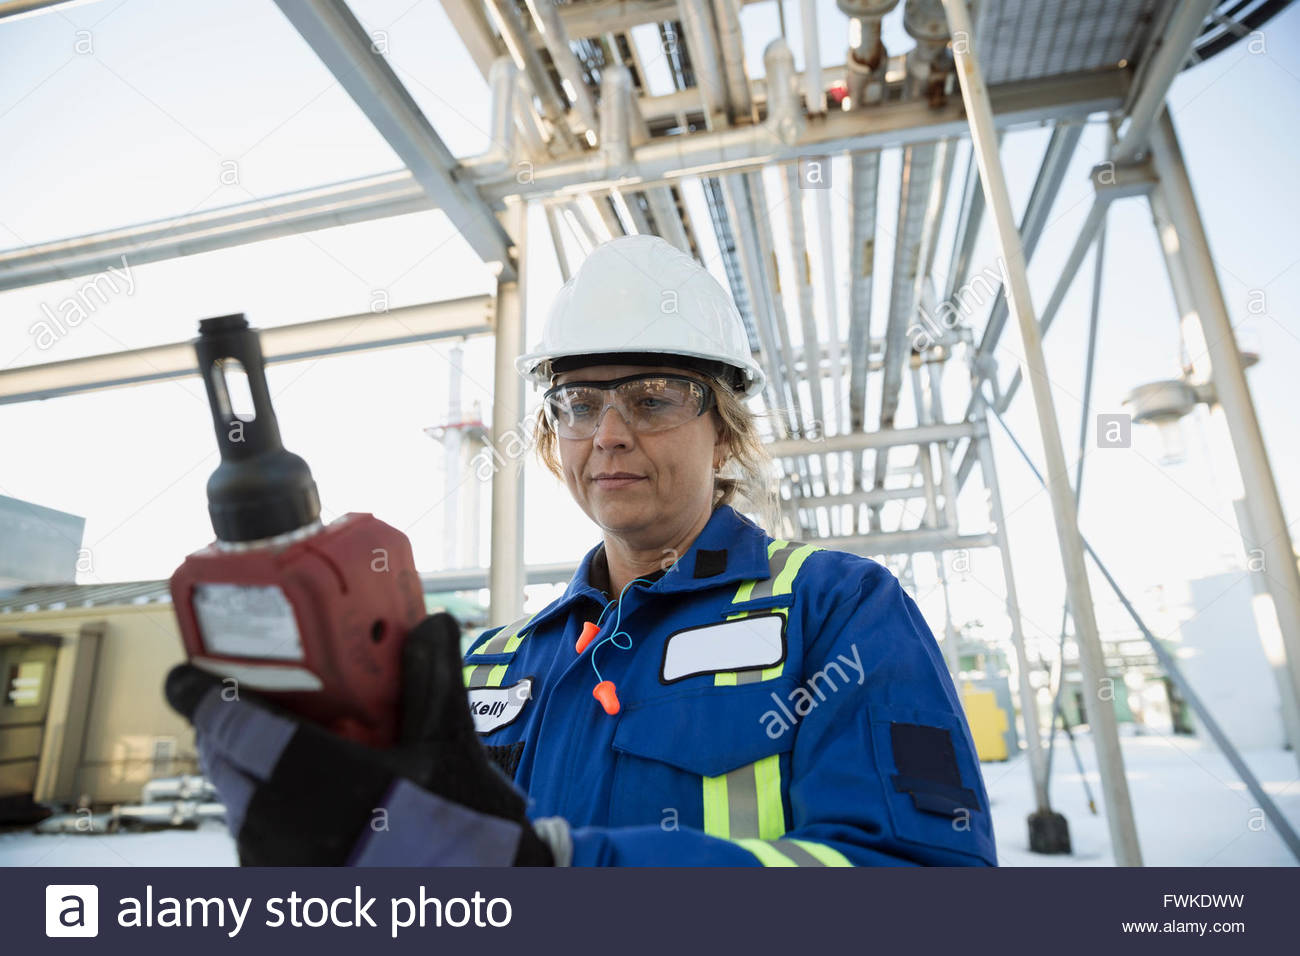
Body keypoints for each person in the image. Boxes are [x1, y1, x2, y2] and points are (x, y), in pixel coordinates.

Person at [165, 235, 996, 868]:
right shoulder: (488, 665)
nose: (609, 435)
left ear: (726, 432)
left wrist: (557, 870)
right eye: (578, 401)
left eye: (653, 397)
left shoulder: (837, 609)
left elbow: (923, 883)